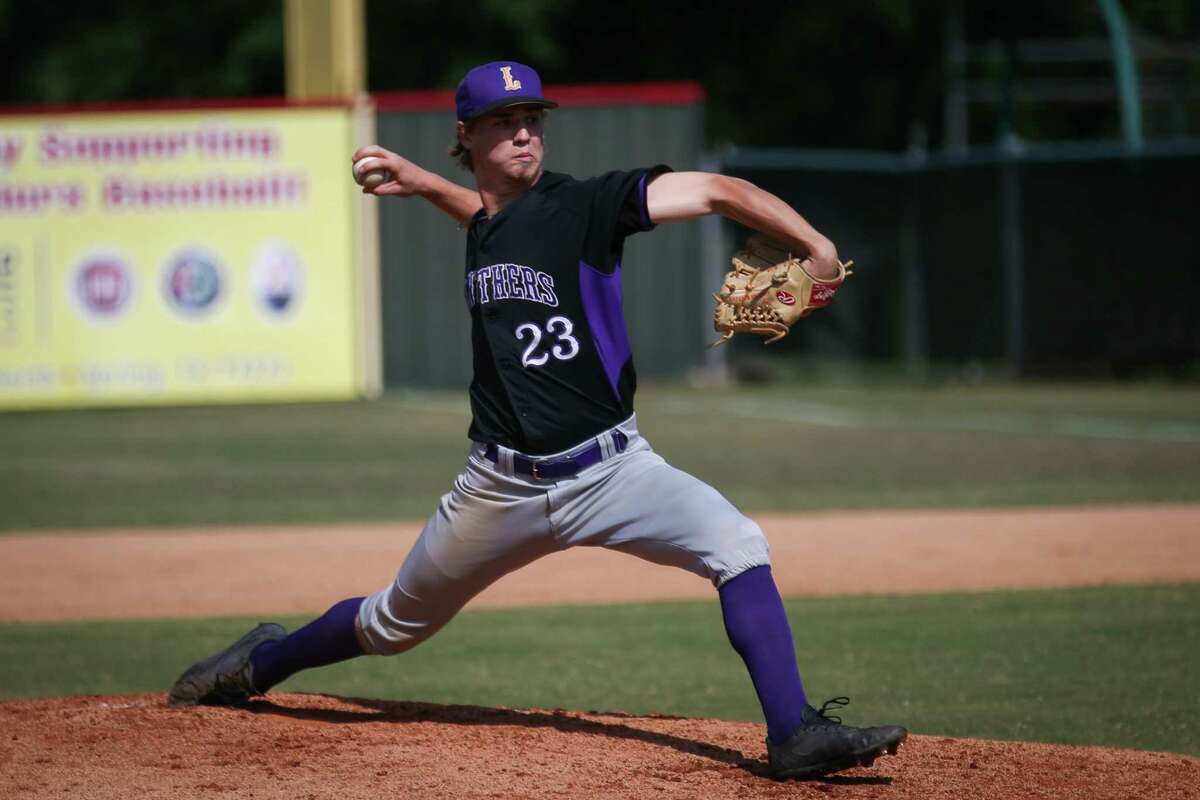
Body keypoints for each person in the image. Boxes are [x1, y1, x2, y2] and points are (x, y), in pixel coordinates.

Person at [168, 60, 907, 780]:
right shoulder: (489, 224)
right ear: (468, 136)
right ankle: (258, 663)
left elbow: (718, 189)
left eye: (533, 121)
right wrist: (427, 184)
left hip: (616, 469)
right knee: (391, 625)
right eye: (504, 123)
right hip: (498, 490)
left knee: (738, 546)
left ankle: (794, 735)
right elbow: (489, 219)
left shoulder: (589, 206)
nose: (525, 134)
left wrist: (816, 246)